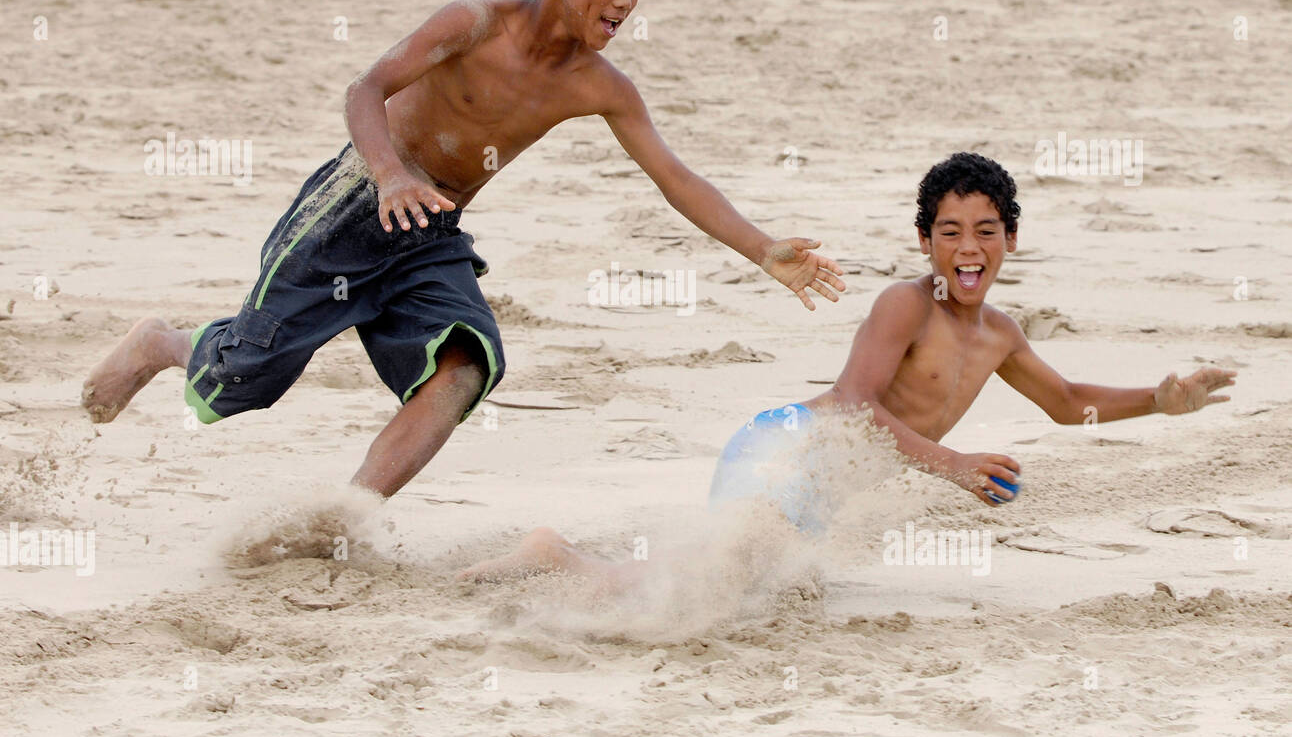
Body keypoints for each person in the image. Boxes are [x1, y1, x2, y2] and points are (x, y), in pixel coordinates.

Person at [80, 0, 845, 498]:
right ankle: (162, 344)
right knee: (240, 380)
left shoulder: (599, 86)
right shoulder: (475, 24)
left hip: (430, 233)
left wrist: (763, 250)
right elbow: (366, 88)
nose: (625, 2)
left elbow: (676, 177)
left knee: (467, 365)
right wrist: (389, 172)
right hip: (352, 204)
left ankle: (349, 513)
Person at [460, 152, 1236, 582]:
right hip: (784, 447)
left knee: (727, 587)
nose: (970, 248)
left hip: (818, 490)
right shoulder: (907, 304)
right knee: (710, 589)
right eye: (952, 232)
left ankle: (561, 561)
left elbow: (1068, 402)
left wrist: (1161, 401)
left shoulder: (1001, 333)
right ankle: (553, 555)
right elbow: (859, 407)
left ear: (1012, 239)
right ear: (927, 242)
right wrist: (955, 465)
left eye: (988, 231)